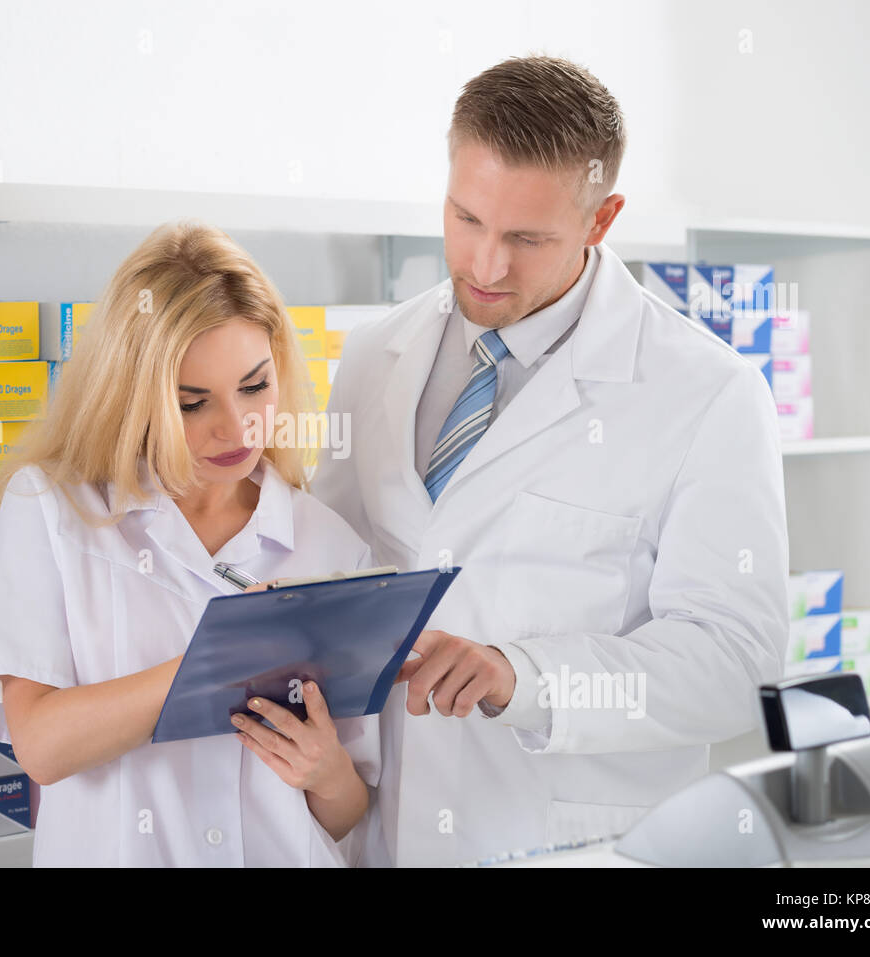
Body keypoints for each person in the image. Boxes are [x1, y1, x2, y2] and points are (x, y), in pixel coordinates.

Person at [311, 55, 788, 867]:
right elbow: (335, 568)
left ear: (601, 220)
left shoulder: (708, 392)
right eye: (466, 219)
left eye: (527, 238)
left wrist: (521, 676)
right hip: (385, 834)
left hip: (565, 840)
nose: (486, 266)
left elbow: (735, 661)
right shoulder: (371, 354)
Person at [0, 220, 380, 866]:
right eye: (192, 403)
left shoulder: (328, 543)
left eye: (254, 385)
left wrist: (324, 770)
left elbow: (348, 809)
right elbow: (41, 744)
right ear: (134, 395)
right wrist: (218, 656)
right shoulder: (52, 508)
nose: (236, 426)